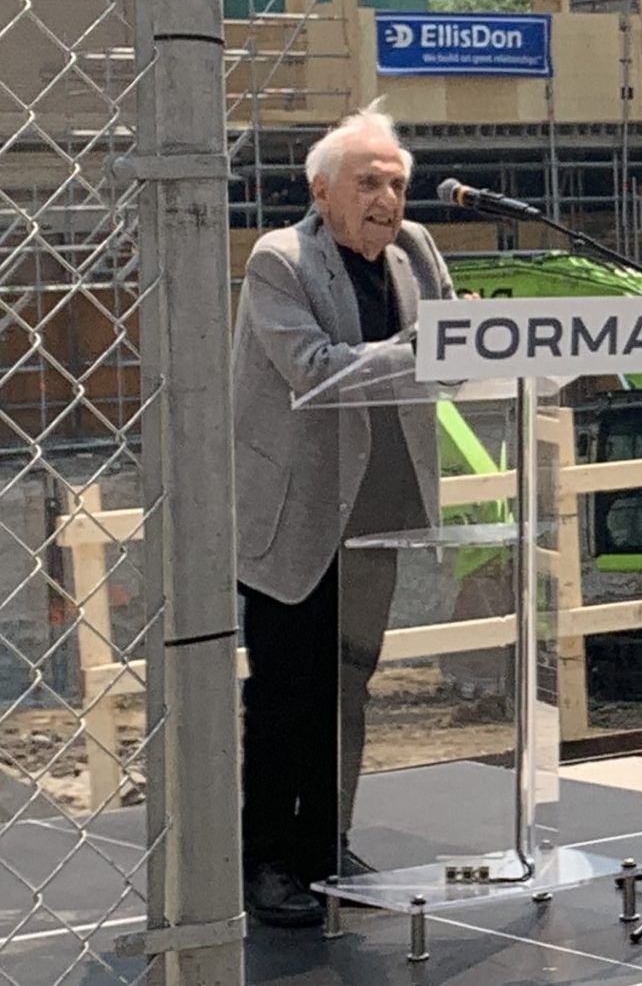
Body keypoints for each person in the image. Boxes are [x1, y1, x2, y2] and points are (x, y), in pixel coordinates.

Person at [232, 101, 453, 926]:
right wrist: (426, 348)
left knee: (348, 687)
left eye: (397, 184)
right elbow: (314, 370)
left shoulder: (419, 250)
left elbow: (459, 351)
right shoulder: (278, 260)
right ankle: (266, 862)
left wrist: (478, 341)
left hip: (374, 508)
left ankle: (328, 841)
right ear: (321, 189)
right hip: (294, 513)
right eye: (369, 183)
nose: (387, 200)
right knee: (286, 693)